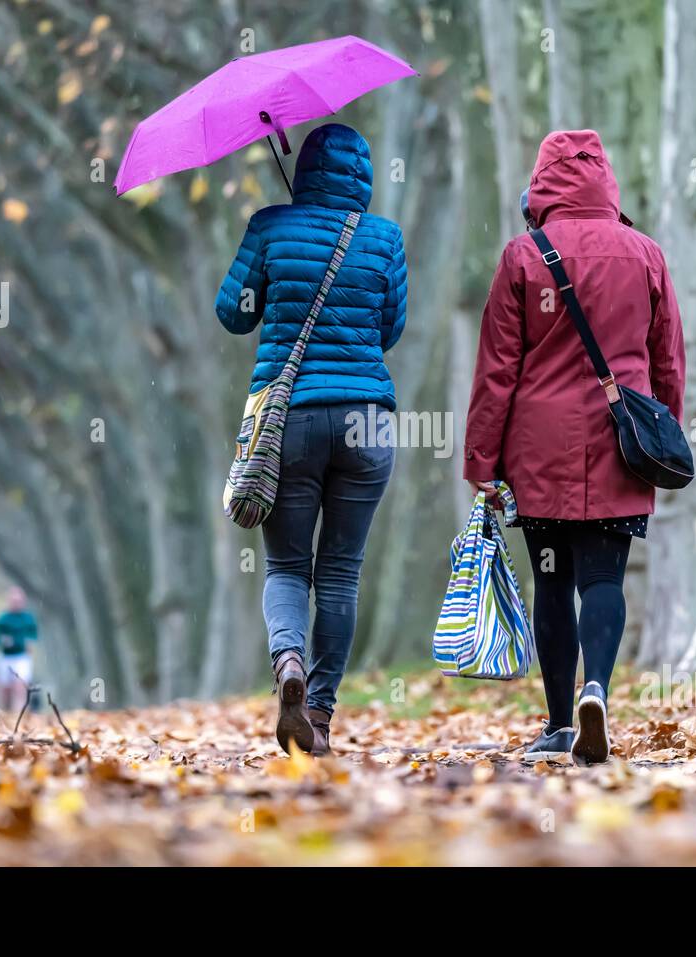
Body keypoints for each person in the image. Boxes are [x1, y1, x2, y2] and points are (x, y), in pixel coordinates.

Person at [464, 130, 686, 766]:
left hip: (539, 447)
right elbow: (666, 358)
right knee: (603, 578)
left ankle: (561, 722)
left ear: (541, 186)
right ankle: (598, 691)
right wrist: (664, 429)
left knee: (552, 581)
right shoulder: (646, 254)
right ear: (605, 182)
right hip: (622, 439)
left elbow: (496, 371)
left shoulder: (522, 256)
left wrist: (482, 459)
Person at [216, 123, 407, 757]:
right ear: (365, 176)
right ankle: (320, 714)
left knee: (287, 566)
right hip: (368, 420)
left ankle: (289, 662)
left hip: (290, 419)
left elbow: (233, 311)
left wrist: (274, 271)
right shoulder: (383, 238)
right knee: (342, 574)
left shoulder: (269, 225)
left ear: (303, 174)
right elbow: (388, 329)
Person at [0, 586, 39, 711]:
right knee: (6, 690)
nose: (16, 604)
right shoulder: (3, 619)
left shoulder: (28, 618)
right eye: (14, 601)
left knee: (20, 686)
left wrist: (30, 643)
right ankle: (6, 713)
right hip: (6, 657)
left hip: (22, 657)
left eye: (19, 601)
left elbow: (33, 635)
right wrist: (2, 641)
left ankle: (20, 713)